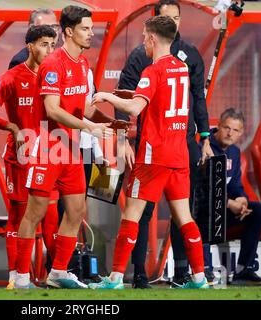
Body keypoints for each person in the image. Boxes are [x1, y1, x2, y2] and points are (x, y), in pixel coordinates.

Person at [90, 15, 209, 290]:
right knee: (184, 217)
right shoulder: (181, 67)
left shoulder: (152, 71)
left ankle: (115, 278)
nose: (143, 41)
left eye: (145, 37)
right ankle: (200, 278)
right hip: (179, 154)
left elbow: (134, 110)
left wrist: (107, 96)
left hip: (154, 156)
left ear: (153, 39)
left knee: (131, 214)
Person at [13, 5, 127, 289]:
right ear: (68, 31)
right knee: (35, 213)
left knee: (76, 211)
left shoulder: (82, 64)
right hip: (49, 148)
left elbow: (84, 108)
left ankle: (58, 272)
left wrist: (111, 123)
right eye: (85, 29)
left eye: (91, 28)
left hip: (72, 150)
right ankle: (20, 276)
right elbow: (52, 110)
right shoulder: (53, 64)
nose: (91, 34)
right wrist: (89, 127)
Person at [0, 25, 58, 289]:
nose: (49, 50)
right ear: (30, 46)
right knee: (20, 215)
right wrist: (11, 126)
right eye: (44, 44)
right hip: (20, 157)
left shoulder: (55, 77)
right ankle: (15, 277)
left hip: (50, 156)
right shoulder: (11, 77)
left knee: (52, 217)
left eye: (53, 45)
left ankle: (54, 276)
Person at [208, 108, 261, 285]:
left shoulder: (234, 152)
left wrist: (241, 199)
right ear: (218, 126)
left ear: (241, 133)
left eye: (235, 130)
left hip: (224, 211)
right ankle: (204, 270)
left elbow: (234, 184)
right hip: (205, 210)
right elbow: (202, 189)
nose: (230, 133)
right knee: (203, 212)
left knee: (257, 211)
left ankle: (243, 270)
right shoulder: (204, 146)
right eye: (226, 127)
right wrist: (227, 203)